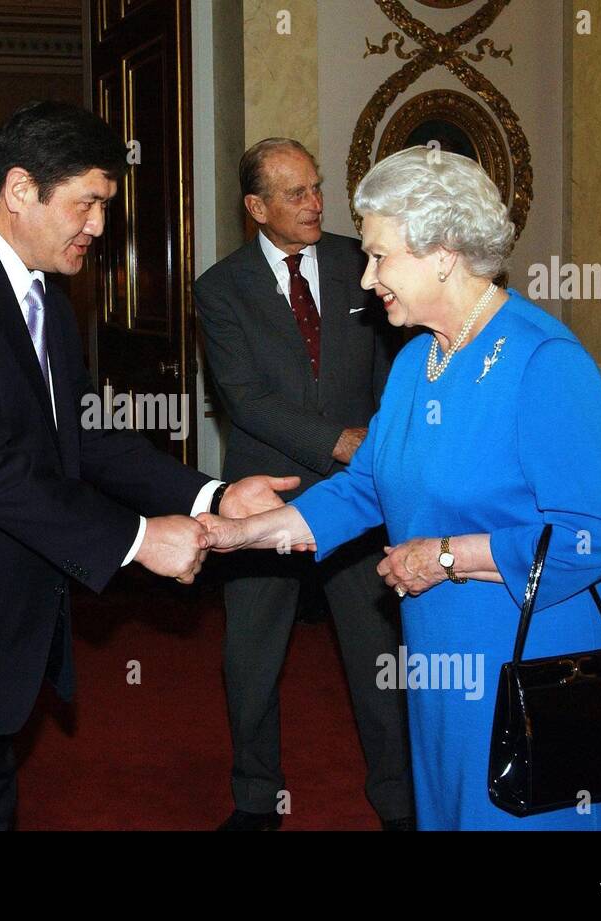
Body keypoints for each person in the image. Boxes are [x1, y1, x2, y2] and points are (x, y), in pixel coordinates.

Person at [0, 100, 294, 830]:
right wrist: (141, 539)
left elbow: (81, 433)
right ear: (20, 189)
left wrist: (210, 495)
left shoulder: (41, 285)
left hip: (5, 624)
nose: (99, 228)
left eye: (105, 206)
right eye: (88, 203)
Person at [198, 147, 601, 830]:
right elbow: (365, 488)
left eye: (380, 256)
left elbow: (600, 533)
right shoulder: (418, 360)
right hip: (442, 655)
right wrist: (237, 532)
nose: (367, 275)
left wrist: (447, 556)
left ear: (443, 252)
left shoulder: (544, 362)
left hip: (531, 657)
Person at [195, 138, 413, 831]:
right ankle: (256, 797)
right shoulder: (220, 288)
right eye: (295, 193)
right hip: (266, 494)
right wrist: (338, 440)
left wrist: (376, 446)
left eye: (317, 188)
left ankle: (400, 802)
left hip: (360, 492)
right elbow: (245, 400)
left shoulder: (362, 263)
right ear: (256, 207)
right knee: (251, 660)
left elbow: (390, 364)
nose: (315, 203)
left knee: (378, 661)